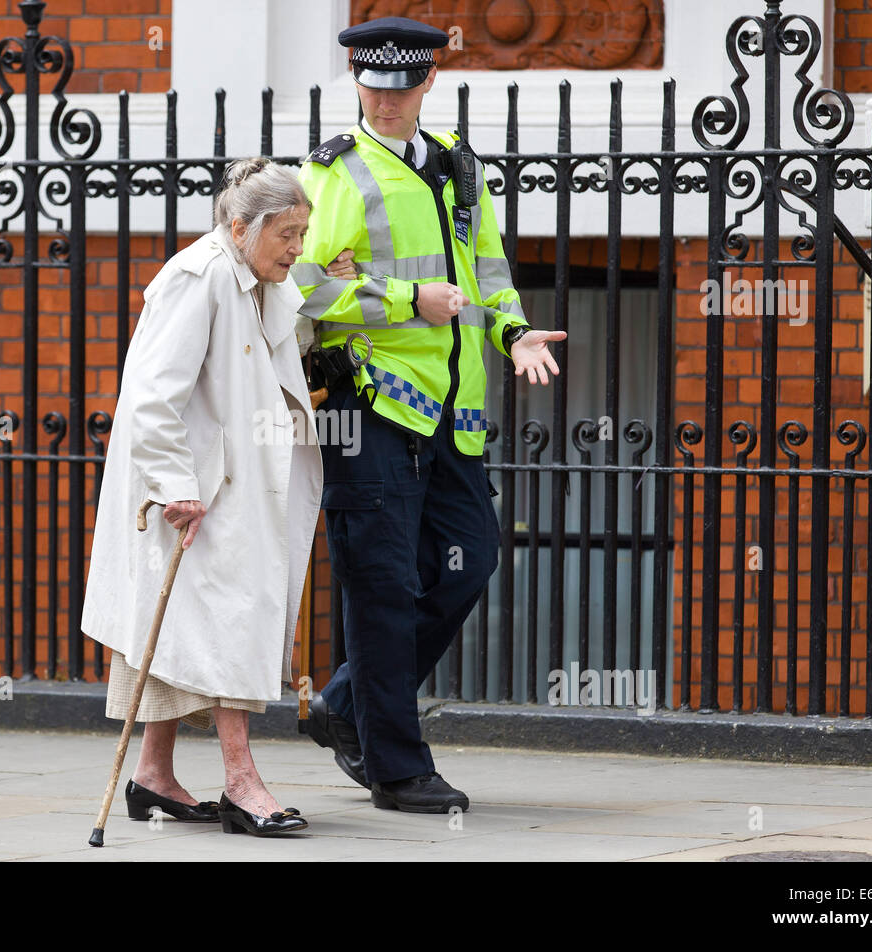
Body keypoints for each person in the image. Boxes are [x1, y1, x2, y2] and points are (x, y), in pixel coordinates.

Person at [294, 16, 566, 813]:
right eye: (371, 86)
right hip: (371, 407)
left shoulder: (456, 163)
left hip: (452, 415)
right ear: (357, 83)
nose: (384, 100)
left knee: (468, 565)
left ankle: (347, 706)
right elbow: (301, 283)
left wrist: (511, 331)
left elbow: (488, 268)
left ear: (426, 83)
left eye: (399, 85)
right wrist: (410, 298)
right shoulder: (331, 175)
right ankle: (398, 768)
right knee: (380, 588)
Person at [81, 157, 323, 837]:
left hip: (231, 487)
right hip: (199, 493)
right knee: (227, 626)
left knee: (185, 631)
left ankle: (153, 778)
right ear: (243, 227)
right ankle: (243, 785)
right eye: (289, 234)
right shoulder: (202, 276)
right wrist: (175, 487)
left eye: (303, 233)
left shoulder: (252, 276)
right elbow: (152, 394)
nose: (298, 248)